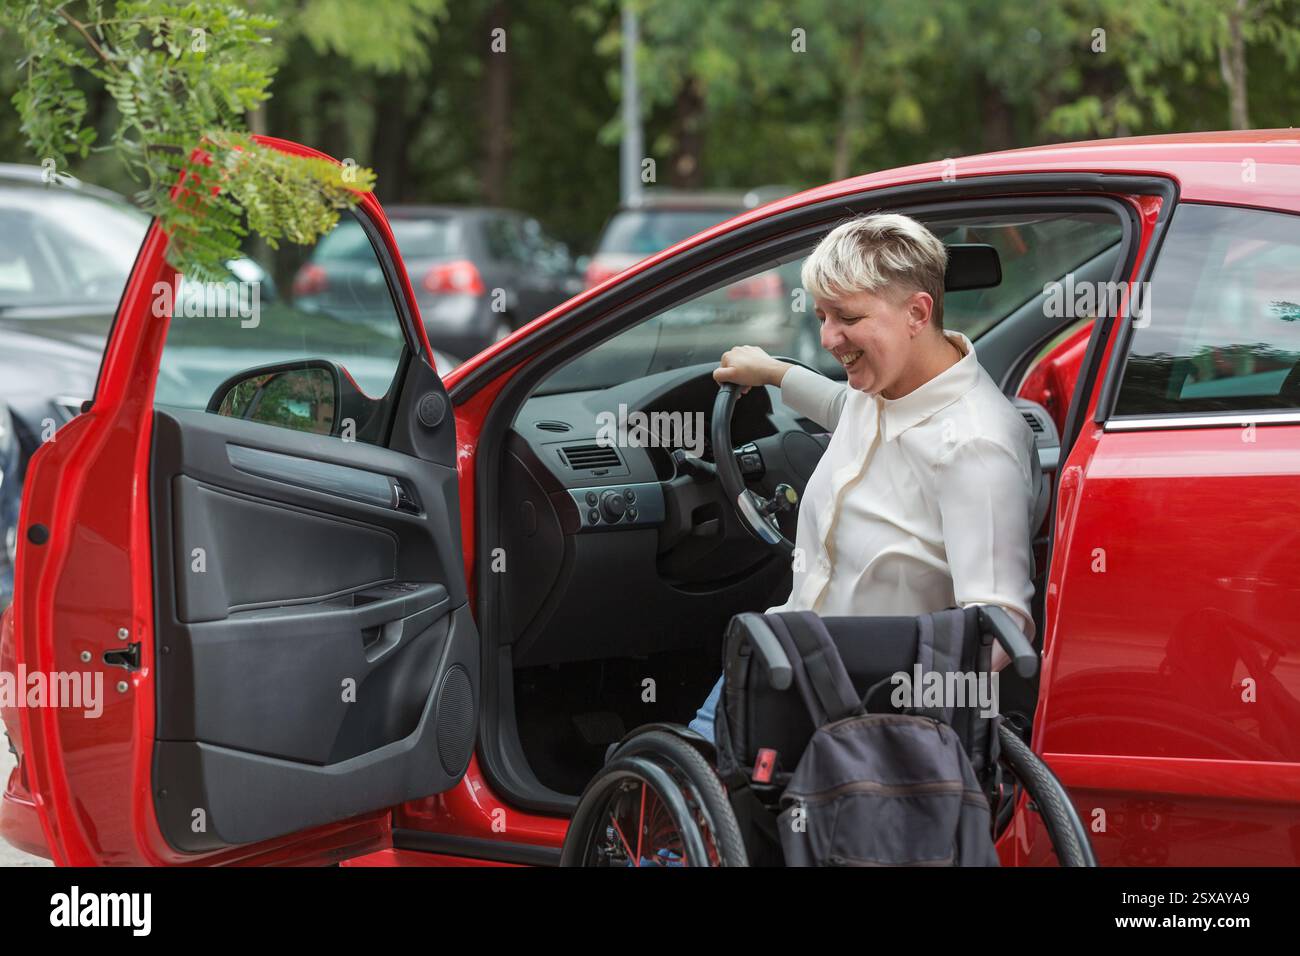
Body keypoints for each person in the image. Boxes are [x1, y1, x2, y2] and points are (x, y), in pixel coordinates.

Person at [688, 212, 1038, 741]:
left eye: (847, 317)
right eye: (823, 315)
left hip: (853, 706)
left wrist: (890, 716)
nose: (829, 337)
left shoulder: (974, 446)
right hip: (783, 653)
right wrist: (774, 372)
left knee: (675, 792)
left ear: (917, 312)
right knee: (674, 781)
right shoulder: (886, 383)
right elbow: (843, 406)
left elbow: (1001, 626)